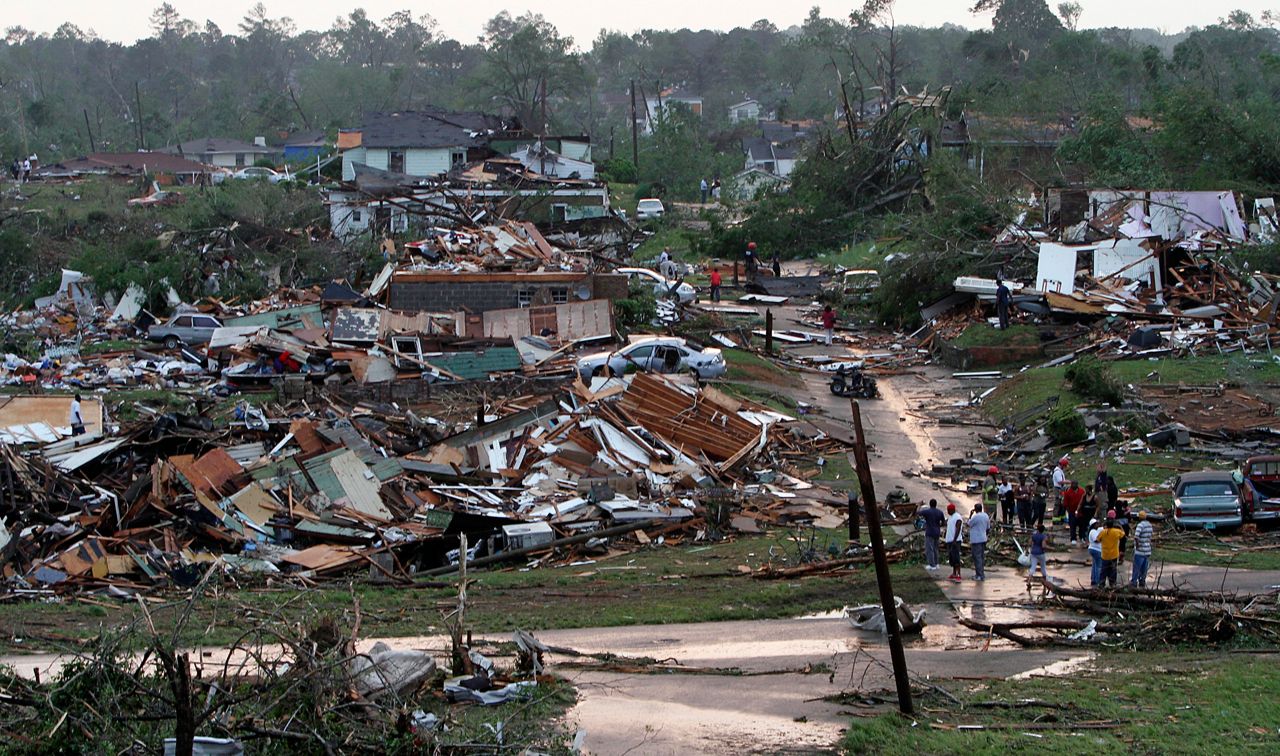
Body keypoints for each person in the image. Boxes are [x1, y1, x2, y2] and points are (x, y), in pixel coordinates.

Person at [919, 499, 946, 571]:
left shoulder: (927, 511)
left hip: (929, 532)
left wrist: (919, 506)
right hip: (937, 532)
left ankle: (932, 565)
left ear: (930, 504)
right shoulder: (940, 512)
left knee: (929, 549)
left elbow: (918, 513)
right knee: (936, 548)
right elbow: (943, 523)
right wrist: (938, 525)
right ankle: (937, 564)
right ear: (936, 504)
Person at [1098, 517, 1125, 587]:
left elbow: (1098, 539)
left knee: (1103, 571)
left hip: (1105, 555)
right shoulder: (1116, 531)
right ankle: (1112, 584)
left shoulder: (1103, 532)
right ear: (1113, 525)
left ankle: (1101, 584)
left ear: (1106, 525)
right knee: (1113, 570)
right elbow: (1123, 534)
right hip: (1114, 555)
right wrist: (1120, 527)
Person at [1131, 511, 1153, 587]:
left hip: (1140, 551)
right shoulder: (1149, 525)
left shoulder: (1140, 525)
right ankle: (1142, 581)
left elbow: (1136, 537)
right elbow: (1150, 537)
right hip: (1147, 550)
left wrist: (1137, 546)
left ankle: (1134, 583)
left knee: (1136, 568)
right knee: (1144, 569)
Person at [969, 502, 990, 581]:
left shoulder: (975, 517)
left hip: (976, 540)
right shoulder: (986, 516)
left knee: (977, 557)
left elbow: (969, 524)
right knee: (981, 557)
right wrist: (985, 535)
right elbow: (988, 528)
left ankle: (979, 575)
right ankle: (981, 574)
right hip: (983, 538)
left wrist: (970, 514)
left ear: (975, 509)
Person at [1062, 480, 1085, 546]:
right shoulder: (1067, 492)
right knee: (1072, 525)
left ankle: (1082, 537)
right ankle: (1073, 538)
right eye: (1073, 484)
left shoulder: (1082, 491)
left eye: (1075, 484)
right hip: (1072, 511)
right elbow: (1065, 504)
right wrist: (1069, 512)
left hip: (1081, 511)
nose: (1074, 485)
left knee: (1082, 525)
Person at [945, 503, 964, 582]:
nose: (948, 512)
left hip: (955, 541)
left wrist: (954, 539)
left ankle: (958, 574)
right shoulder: (951, 517)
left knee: (956, 558)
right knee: (952, 558)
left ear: (952, 509)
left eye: (948, 510)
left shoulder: (957, 517)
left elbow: (958, 528)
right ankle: (954, 573)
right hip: (949, 540)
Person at [1087, 518, 1103, 587]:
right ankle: (1097, 581)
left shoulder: (1095, 531)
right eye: (1096, 524)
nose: (1098, 525)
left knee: (1095, 565)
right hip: (1096, 550)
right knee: (1099, 566)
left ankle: (1093, 579)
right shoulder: (1093, 531)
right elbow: (1096, 540)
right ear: (1093, 525)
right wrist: (1102, 539)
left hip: (1094, 549)